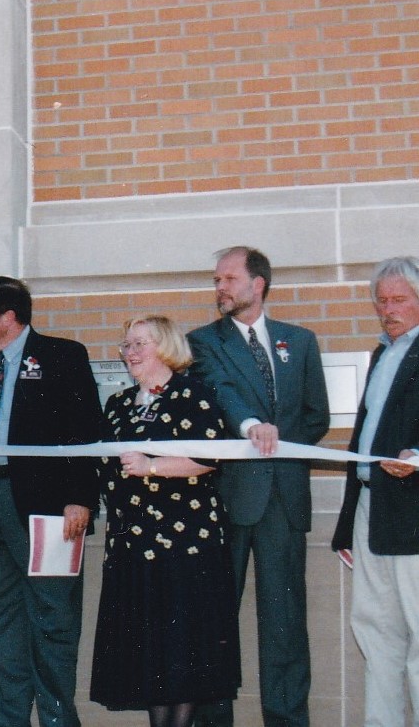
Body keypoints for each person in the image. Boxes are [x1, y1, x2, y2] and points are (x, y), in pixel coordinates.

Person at [0, 276, 105, 727]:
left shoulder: (63, 357)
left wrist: (80, 499)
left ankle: (56, 721)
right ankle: (9, 720)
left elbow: (86, 431)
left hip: (47, 510)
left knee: (54, 620)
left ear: (9, 317)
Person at [186, 247, 327, 727]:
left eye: (228, 278)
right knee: (216, 622)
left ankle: (287, 720)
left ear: (258, 284)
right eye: (216, 280)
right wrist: (251, 427)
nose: (219, 287)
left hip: (284, 502)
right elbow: (220, 392)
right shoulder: (202, 342)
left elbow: (315, 416)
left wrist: (280, 449)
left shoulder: (300, 342)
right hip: (227, 500)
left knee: (285, 624)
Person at [91, 316, 240, 727]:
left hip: (185, 548)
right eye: (126, 345)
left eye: (140, 343)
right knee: (151, 655)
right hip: (132, 548)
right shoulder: (118, 403)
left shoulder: (194, 394)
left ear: (166, 347)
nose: (130, 352)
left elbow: (211, 458)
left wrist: (152, 466)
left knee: (183, 652)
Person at [331, 256, 419, 727]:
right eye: (381, 300)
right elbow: (363, 441)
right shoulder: (383, 354)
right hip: (372, 504)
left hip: (413, 509)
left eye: (399, 299)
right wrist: (347, 523)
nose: (388, 308)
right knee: (375, 630)